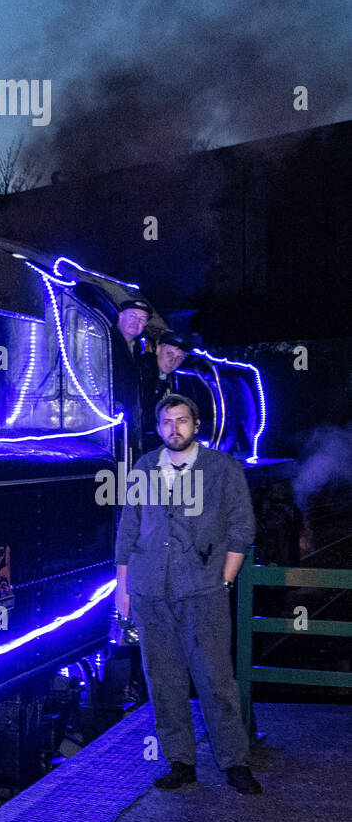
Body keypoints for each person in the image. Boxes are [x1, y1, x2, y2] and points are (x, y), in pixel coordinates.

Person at [114, 393, 263, 794]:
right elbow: (128, 529)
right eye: (167, 422)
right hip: (150, 592)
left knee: (216, 681)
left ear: (196, 425)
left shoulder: (222, 469)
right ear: (158, 428)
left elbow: (242, 528)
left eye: (181, 421)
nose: (174, 429)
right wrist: (122, 589)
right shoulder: (144, 468)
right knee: (163, 682)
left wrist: (225, 580)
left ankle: (235, 762)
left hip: (203, 592)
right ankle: (180, 762)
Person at [137, 328, 208, 455]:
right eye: (169, 354)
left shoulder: (170, 378)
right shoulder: (142, 370)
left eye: (179, 358)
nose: (172, 361)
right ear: (158, 349)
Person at [110, 296, 154, 452]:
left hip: (128, 421)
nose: (136, 322)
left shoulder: (137, 349)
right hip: (110, 420)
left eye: (142, 319)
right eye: (132, 316)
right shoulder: (106, 340)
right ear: (120, 316)